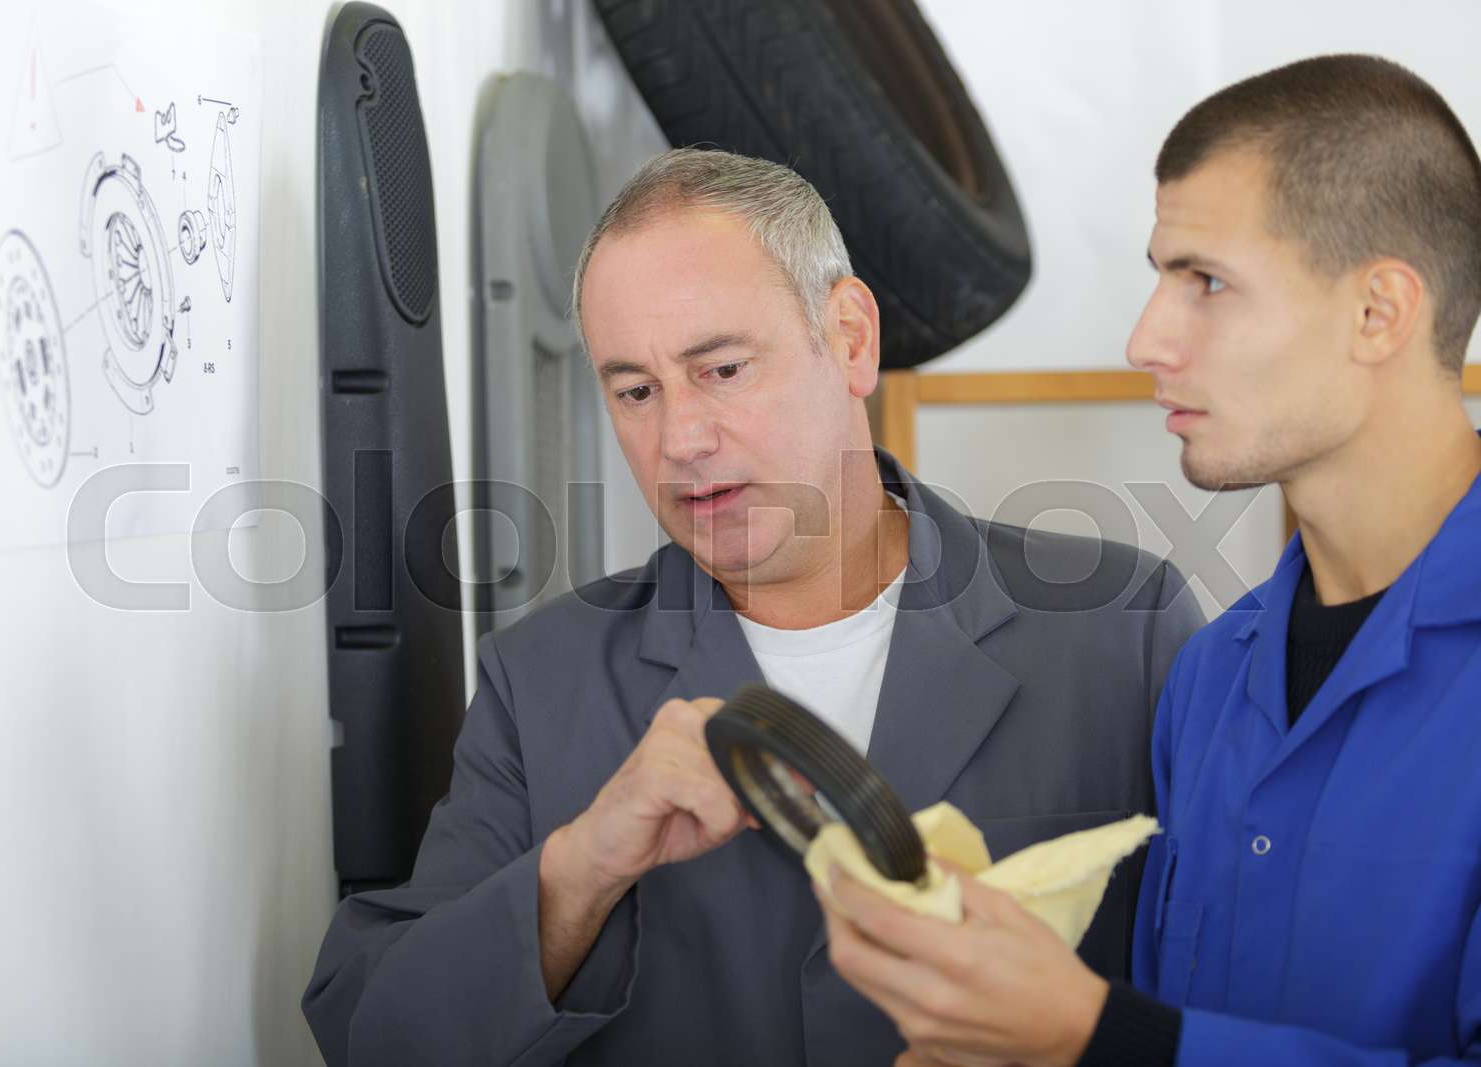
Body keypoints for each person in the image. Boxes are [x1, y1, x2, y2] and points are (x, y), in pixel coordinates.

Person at [301, 148, 1203, 1065]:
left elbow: (1237, 992)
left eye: (723, 369)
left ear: (851, 339)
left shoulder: (1123, 632)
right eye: (636, 391)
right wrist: (585, 864)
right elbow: (374, 1035)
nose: (681, 438)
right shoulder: (539, 683)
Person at [818, 53, 1481, 1067]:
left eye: (1205, 281)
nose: (1144, 340)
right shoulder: (1210, 678)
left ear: (1378, 312)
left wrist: (1093, 1032)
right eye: (1159, 275)